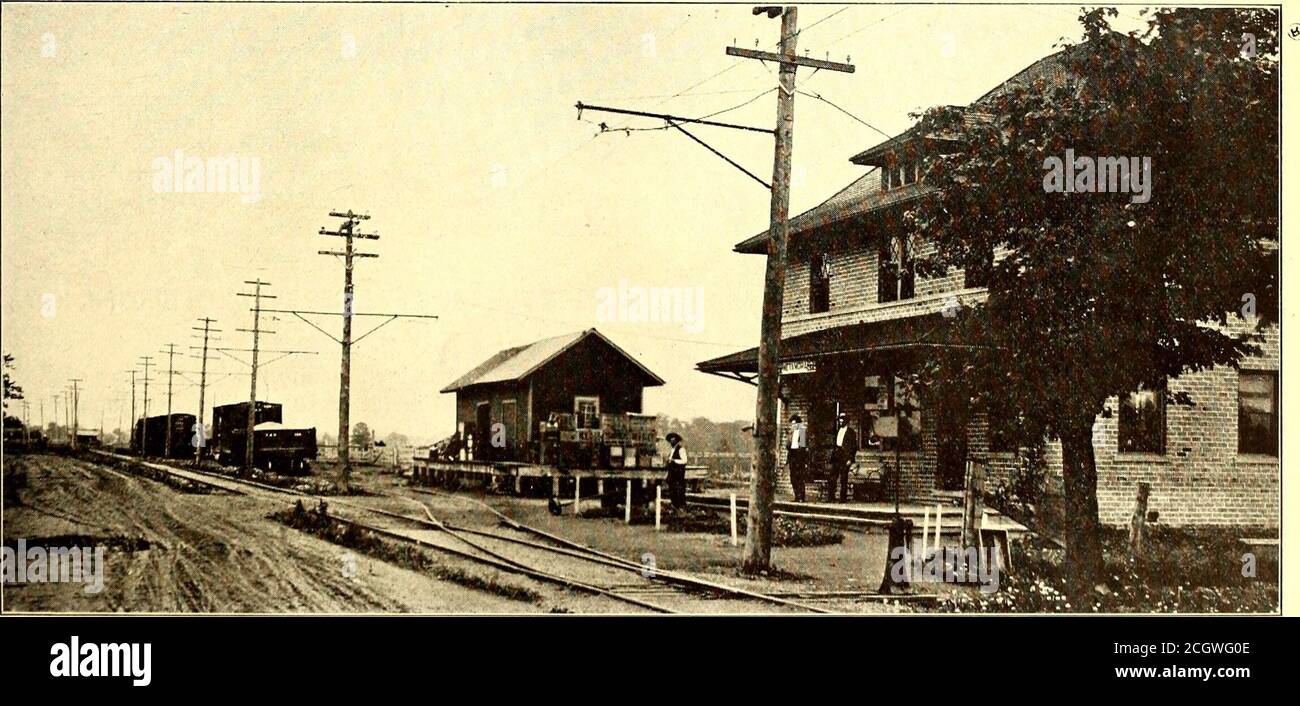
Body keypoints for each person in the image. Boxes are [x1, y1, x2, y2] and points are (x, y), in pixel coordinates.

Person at [829, 413, 858, 502]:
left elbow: (853, 447)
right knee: (833, 477)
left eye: (842, 420)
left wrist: (850, 459)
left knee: (843, 478)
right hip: (837, 456)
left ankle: (843, 498)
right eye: (839, 420)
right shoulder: (838, 431)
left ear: (846, 421)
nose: (840, 422)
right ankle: (831, 497)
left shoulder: (851, 433)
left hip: (845, 457)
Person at [787, 414, 809, 502]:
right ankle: (796, 496)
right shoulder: (791, 433)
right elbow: (788, 445)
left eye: (795, 424)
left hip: (799, 457)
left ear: (799, 424)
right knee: (793, 477)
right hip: (792, 456)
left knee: (800, 477)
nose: (793, 426)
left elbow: (803, 447)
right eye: (792, 424)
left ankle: (801, 497)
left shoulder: (802, 432)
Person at [664, 432, 688, 511]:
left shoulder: (681, 449)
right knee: (672, 490)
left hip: (679, 473)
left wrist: (674, 461)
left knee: (679, 490)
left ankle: (680, 507)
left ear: (677, 441)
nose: (672, 442)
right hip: (672, 474)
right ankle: (674, 506)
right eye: (671, 440)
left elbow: (684, 461)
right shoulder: (672, 450)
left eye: (673, 440)